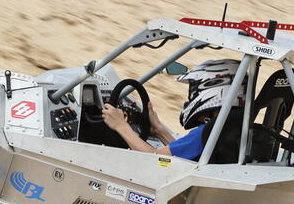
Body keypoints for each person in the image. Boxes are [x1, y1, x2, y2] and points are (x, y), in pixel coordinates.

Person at [102, 58, 247, 161]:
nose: (191, 97)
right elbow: (180, 157)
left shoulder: (208, 132)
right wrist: (158, 130)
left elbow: (153, 158)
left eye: (194, 91)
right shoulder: (231, 127)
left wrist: (121, 126)